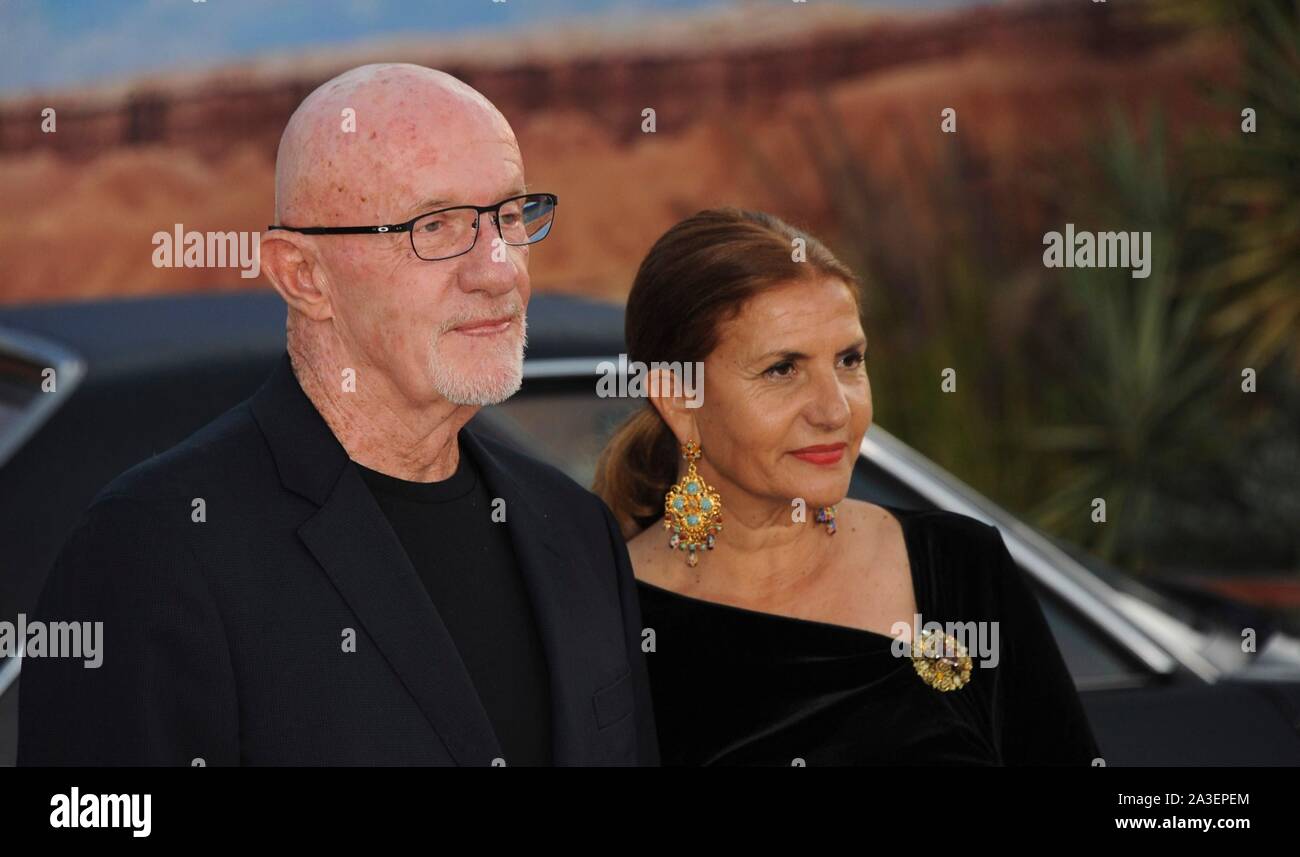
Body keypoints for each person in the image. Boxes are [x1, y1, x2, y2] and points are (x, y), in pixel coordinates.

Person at [19, 64, 657, 766]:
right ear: (302, 275)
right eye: (435, 225)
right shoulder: (157, 552)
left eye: (508, 215)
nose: (499, 269)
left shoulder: (574, 530)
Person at [593, 207, 1100, 765]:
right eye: (783, 369)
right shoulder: (608, 622)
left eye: (849, 360)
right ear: (679, 399)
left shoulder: (958, 565)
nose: (835, 409)